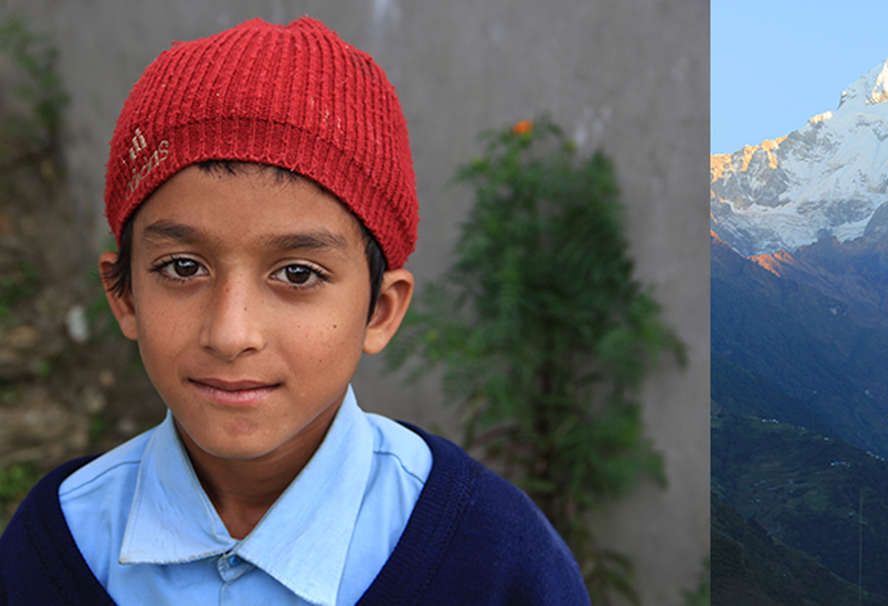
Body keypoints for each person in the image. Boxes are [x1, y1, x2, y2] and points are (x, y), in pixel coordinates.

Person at [0, 17, 589, 605]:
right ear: (124, 294)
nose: (231, 334)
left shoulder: (495, 560)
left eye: (298, 274)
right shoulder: (58, 547)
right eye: (183, 268)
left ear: (380, 311)